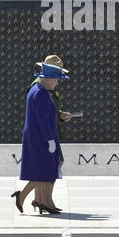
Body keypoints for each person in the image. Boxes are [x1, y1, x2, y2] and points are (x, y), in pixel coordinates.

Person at [13, 57, 72, 215]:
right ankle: (24, 196)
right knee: (44, 170)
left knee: (45, 169)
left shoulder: (39, 90)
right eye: (57, 80)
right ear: (50, 78)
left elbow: (46, 115)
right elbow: (43, 120)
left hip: (37, 137)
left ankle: (42, 201)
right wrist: (50, 139)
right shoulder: (40, 93)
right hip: (40, 138)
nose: (58, 83)